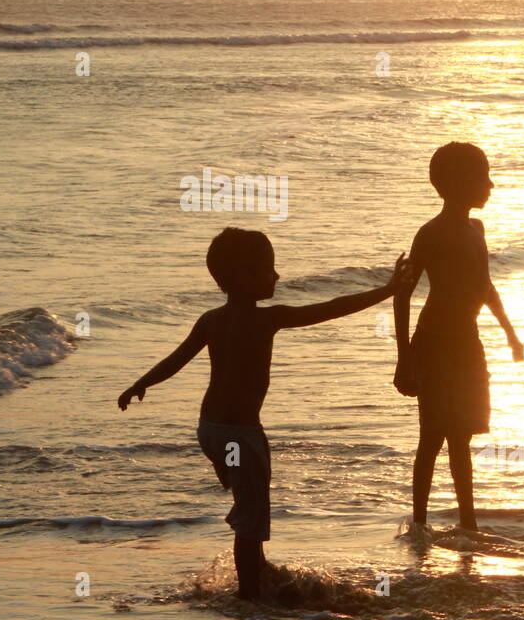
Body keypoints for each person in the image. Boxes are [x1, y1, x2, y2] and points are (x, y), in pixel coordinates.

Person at [118, 227, 409, 601]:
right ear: (242, 277)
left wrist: (140, 384)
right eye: (268, 269)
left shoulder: (211, 319)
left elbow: (175, 359)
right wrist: (386, 290)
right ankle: (249, 598)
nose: (277, 276)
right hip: (240, 433)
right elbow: (330, 308)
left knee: (248, 500)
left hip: (210, 430)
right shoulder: (267, 319)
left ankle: (256, 569)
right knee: (251, 515)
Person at [393, 142, 524, 534]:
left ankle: (469, 524)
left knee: (463, 438)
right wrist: (404, 357)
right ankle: (419, 524)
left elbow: (485, 287)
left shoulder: (476, 229)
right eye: (482, 178)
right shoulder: (430, 233)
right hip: (434, 343)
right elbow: (402, 294)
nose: (491, 185)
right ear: (454, 183)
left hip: (468, 343)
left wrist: (511, 334)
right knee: (432, 438)